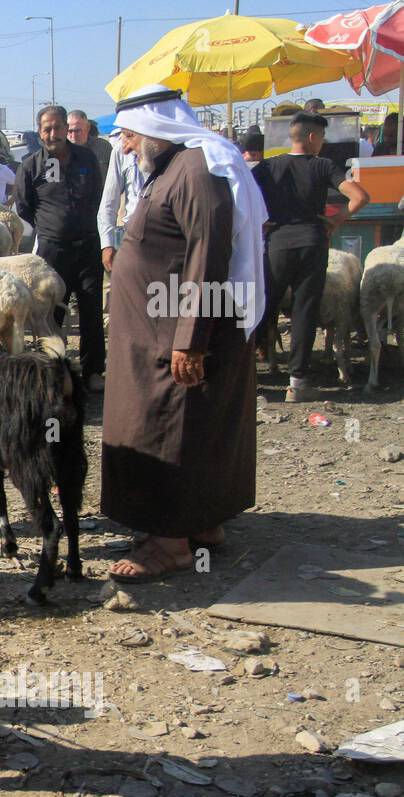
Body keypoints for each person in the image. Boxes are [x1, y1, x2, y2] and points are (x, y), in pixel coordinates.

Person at [102, 85, 267, 583]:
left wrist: (189, 340)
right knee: (197, 428)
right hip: (158, 328)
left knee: (163, 429)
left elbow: (207, 254)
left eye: (129, 135)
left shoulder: (196, 169)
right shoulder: (172, 168)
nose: (126, 146)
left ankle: (170, 544)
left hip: (174, 332)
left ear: (155, 128)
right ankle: (202, 524)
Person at [252, 111, 369, 400]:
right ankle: (298, 383)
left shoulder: (267, 167)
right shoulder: (323, 166)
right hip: (312, 243)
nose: (323, 143)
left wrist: (261, 222)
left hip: (277, 243)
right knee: (305, 311)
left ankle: (246, 377)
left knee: (262, 309)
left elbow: (241, 196)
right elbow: (360, 197)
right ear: (313, 137)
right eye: (322, 138)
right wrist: (333, 221)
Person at [17, 104, 107, 391]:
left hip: (88, 248)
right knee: (52, 314)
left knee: (92, 309)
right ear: (40, 131)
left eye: (58, 127)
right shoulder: (32, 165)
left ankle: (93, 371)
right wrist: (53, 227)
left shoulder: (86, 158)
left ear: (66, 129)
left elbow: (98, 196)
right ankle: (54, 374)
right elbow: (24, 206)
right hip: (53, 253)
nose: (53, 133)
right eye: (47, 128)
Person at [98, 129, 147, 274]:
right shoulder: (121, 151)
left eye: (130, 136)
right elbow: (109, 202)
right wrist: (107, 244)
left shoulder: (178, 152)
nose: (126, 145)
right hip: (132, 239)